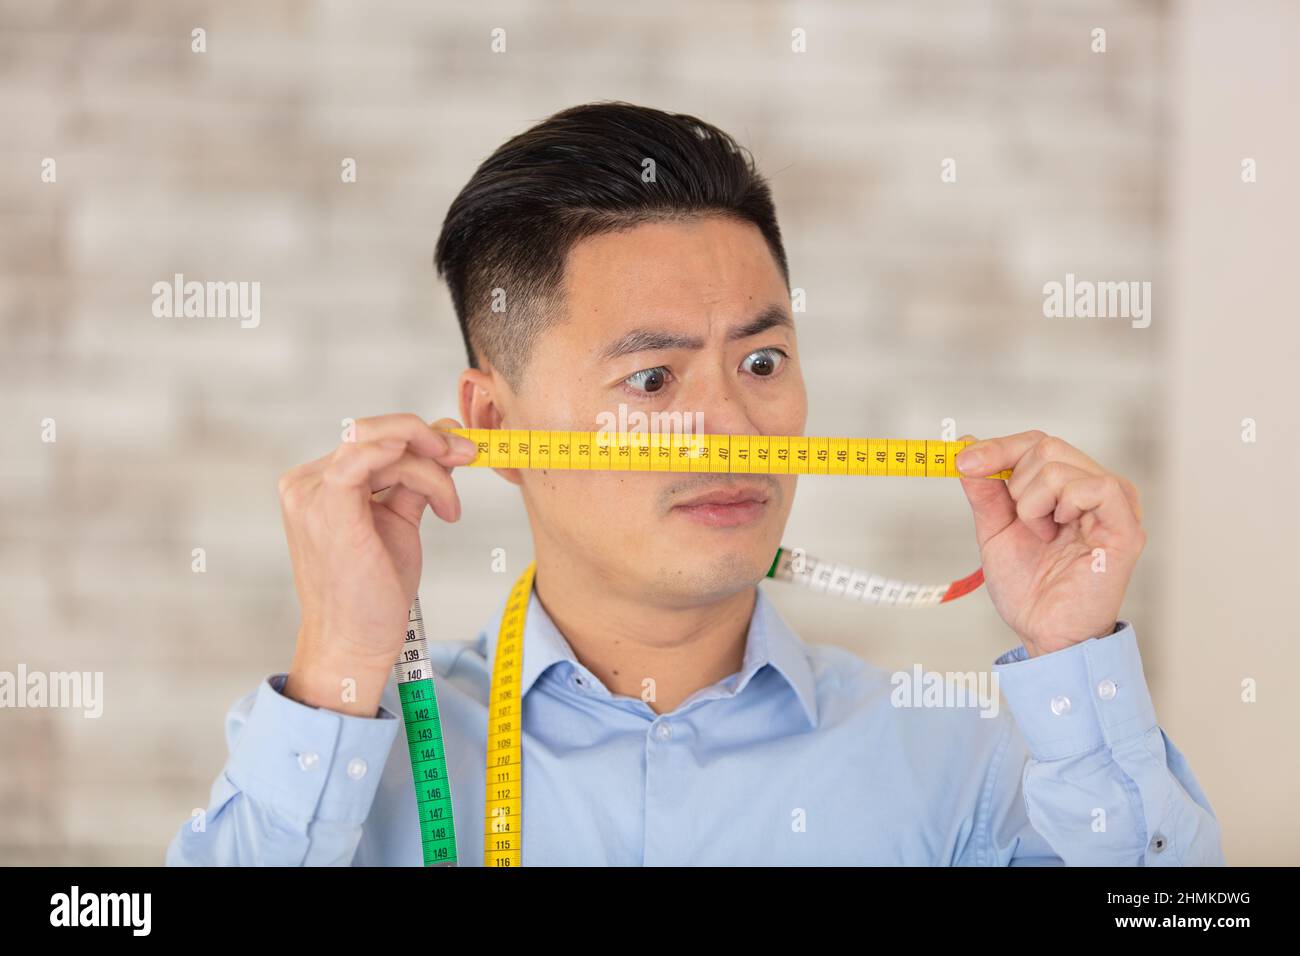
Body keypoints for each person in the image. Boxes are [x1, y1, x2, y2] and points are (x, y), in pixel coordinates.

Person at [166, 102, 1223, 866]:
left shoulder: (958, 759)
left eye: (762, 363)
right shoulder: (361, 758)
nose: (729, 425)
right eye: (652, 375)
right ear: (495, 424)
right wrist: (343, 666)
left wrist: (1074, 652)